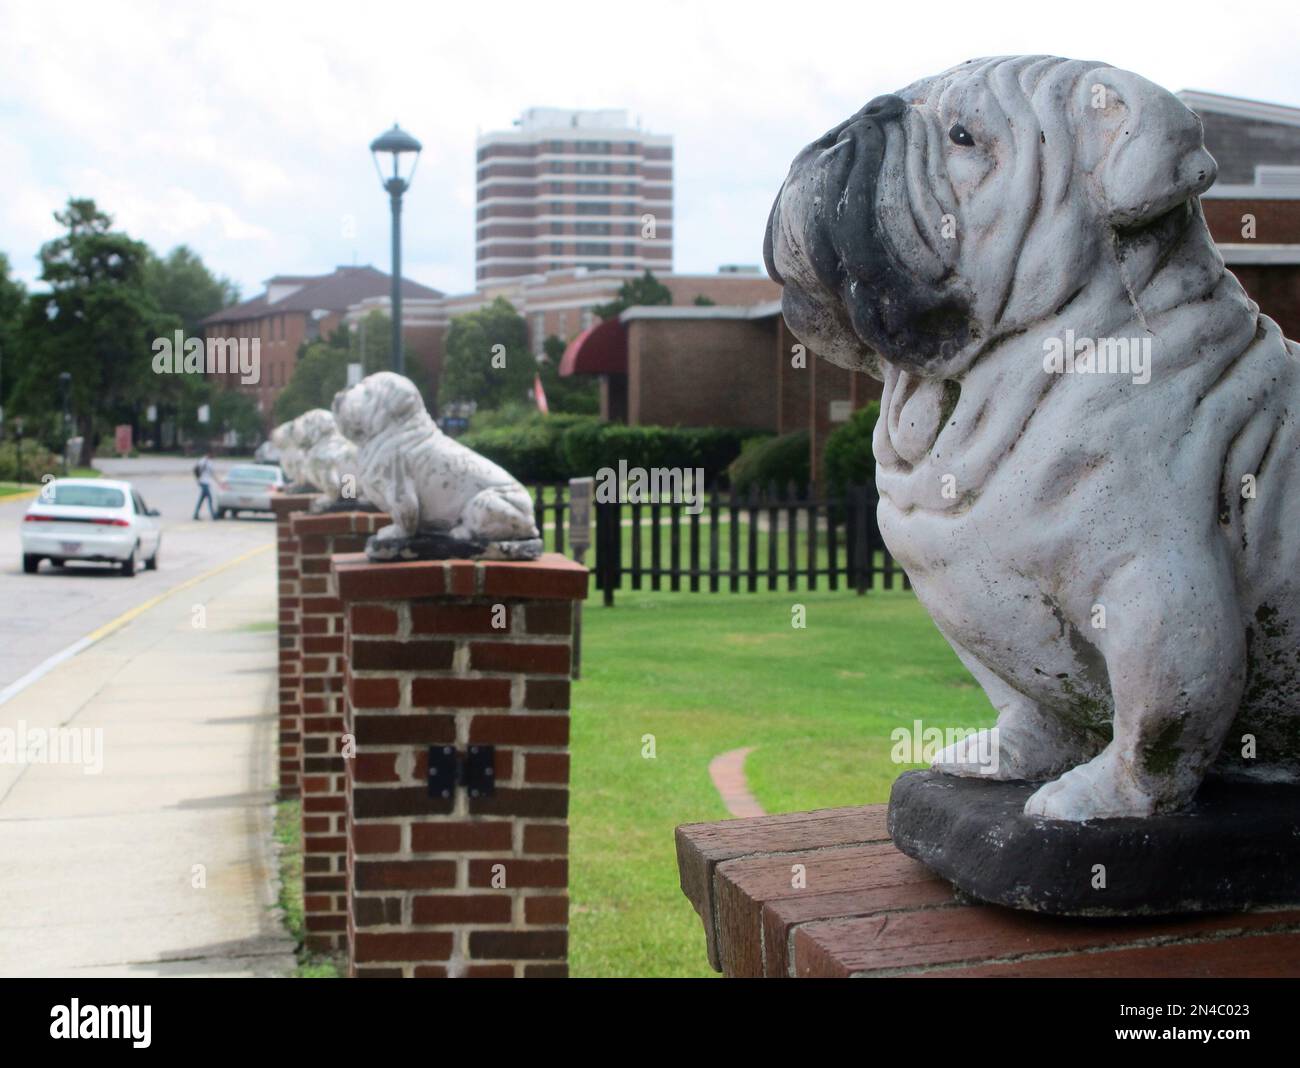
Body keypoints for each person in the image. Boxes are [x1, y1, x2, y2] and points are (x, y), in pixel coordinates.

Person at [193, 454, 218, 520]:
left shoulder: (204, 460)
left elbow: (211, 473)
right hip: (204, 482)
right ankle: (213, 515)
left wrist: (218, 482)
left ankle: (195, 514)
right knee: (210, 499)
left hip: (204, 482)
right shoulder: (205, 461)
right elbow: (196, 469)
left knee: (201, 499)